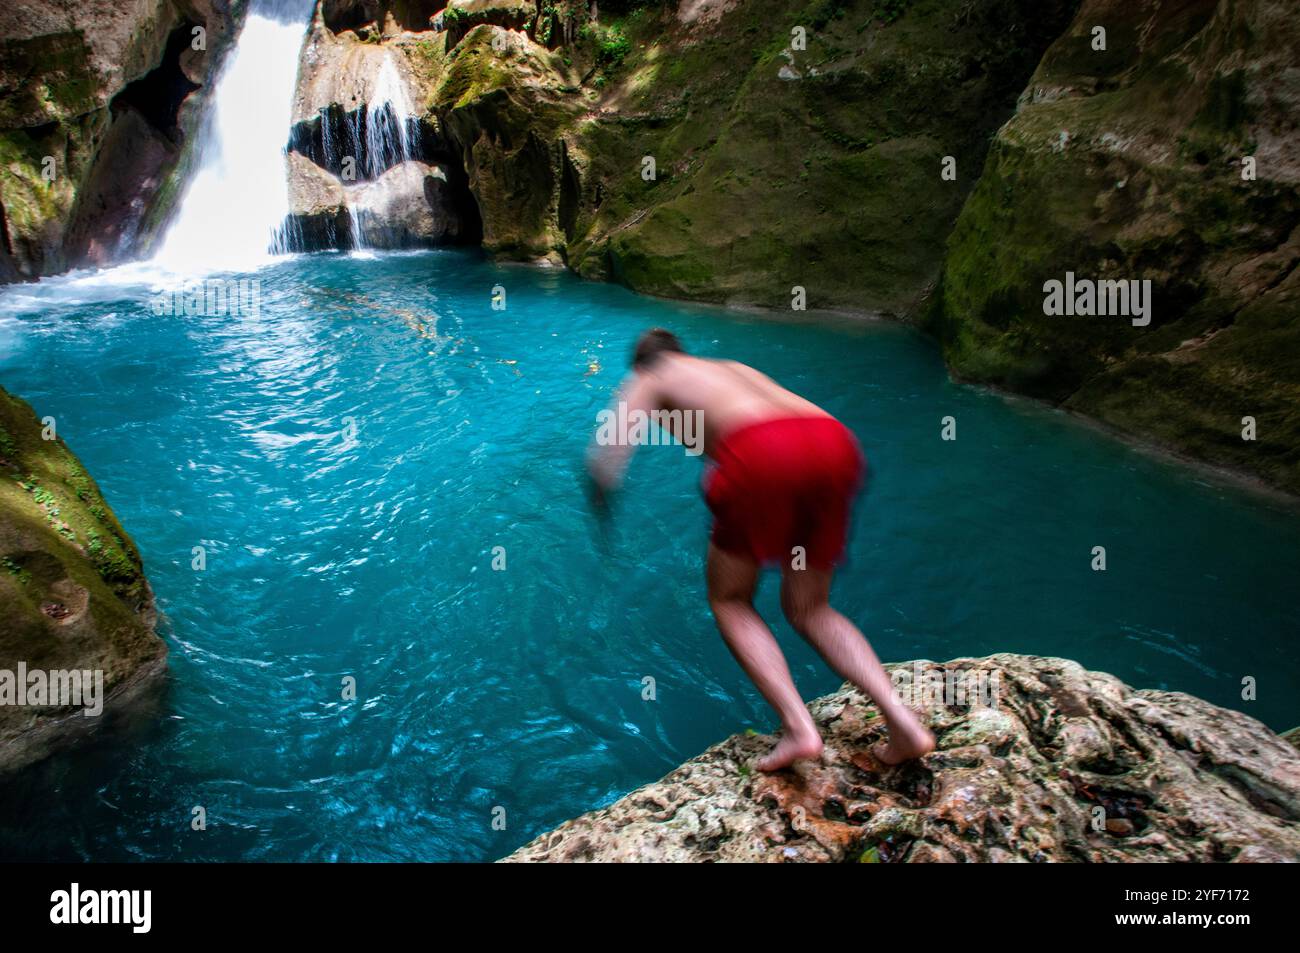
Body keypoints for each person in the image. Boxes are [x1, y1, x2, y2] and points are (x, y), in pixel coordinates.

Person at [586, 328, 935, 771]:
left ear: (643, 361)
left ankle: (799, 729)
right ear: (681, 351)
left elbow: (608, 456)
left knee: (730, 599)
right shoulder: (730, 368)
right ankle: (903, 724)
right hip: (832, 441)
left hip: (762, 452)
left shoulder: (649, 375)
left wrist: (599, 499)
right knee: (811, 608)